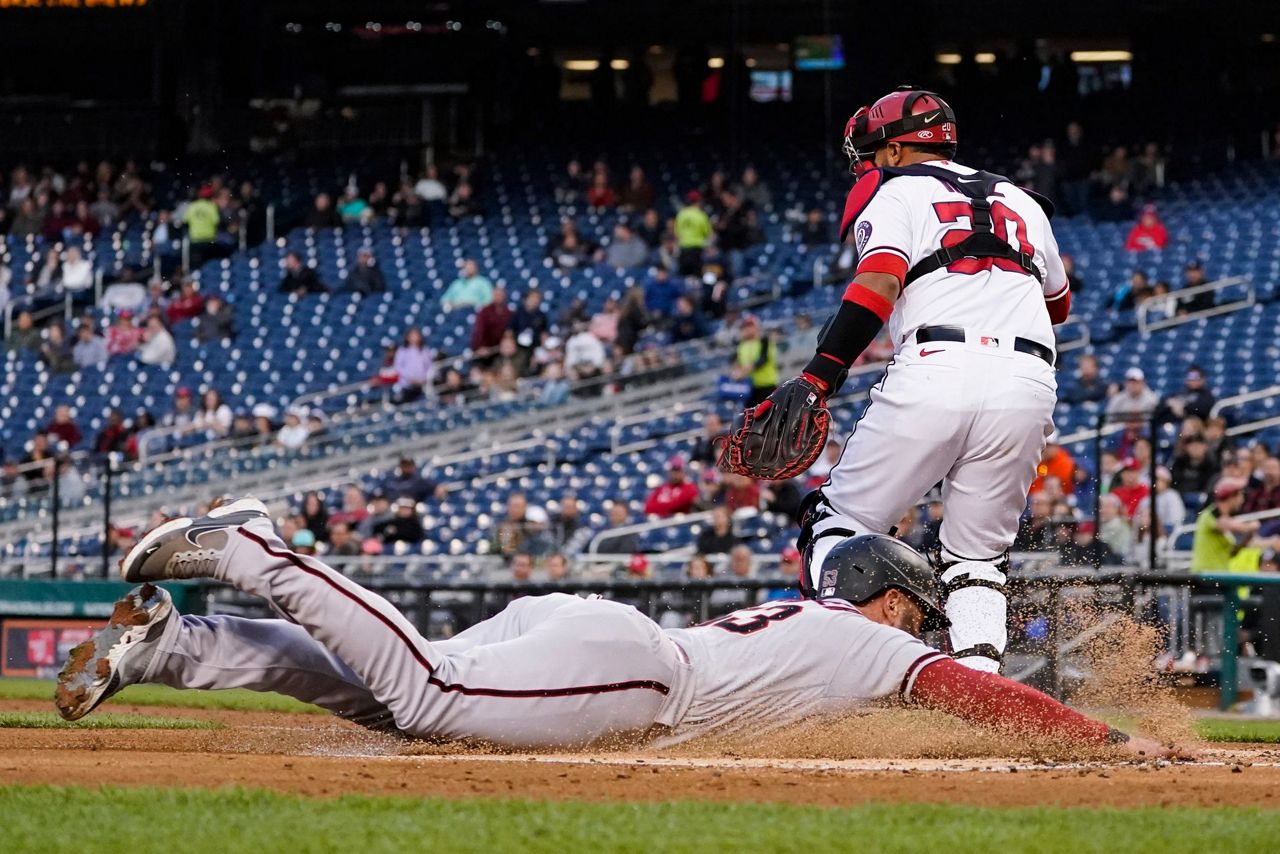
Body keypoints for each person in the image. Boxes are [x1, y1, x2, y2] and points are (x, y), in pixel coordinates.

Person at [58, 516, 1180, 757]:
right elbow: (982, 697)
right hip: (634, 673)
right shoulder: (871, 640)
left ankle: (170, 646)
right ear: (888, 597)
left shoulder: (816, 625)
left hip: (600, 641)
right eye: (918, 604)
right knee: (426, 692)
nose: (924, 624)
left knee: (381, 699)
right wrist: (1103, 737)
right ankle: (257, 549)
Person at [737, 87, 1075, 675]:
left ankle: (832, 674)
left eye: (869, 153)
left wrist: (820, 376)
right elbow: (1059, 303)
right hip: (1027, 378)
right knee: (976, 561)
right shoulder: (1024, 199)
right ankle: (978, 694)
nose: (865, 165)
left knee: (835, 523)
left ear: (894, 150)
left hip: (936, 365)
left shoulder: (898, 192)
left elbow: (878, 285)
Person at [1191, 479, 1264, 572]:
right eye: (1240, 495)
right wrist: (1252, 525)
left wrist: (1247, 539)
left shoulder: (1225, 520)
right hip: (1205, 576)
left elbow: (1231, 554)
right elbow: (1229, 525)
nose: (1242, 499)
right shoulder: (1211, 513)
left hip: (1220, 575)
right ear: (1231, 496)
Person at [734, 316, 778, 408]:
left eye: (750, 326)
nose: (748, 330)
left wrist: (744, 371)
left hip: (767, 385)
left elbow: (763, 360)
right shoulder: (742, 345)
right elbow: (737, 361)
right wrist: (736, 371)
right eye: (746, 327)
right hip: (750, 387)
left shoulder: (764, 341)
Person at [674, 191, 712, 276]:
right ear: (698, 201)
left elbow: (677, 233)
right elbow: (708, 234)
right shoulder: (701, 215)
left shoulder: (681, 214)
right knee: (697, 276)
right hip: (697, 249)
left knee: (684, 276)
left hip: (684, 249)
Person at [392, 327, 434, 403]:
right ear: (408, 338)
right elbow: (398, 367)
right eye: (413, 336)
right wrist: (411, 379)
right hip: (407, 386)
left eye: (417, 335)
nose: (415, 338)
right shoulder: (403, 351)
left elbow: (430, 366)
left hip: (422, 385)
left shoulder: (425, 351)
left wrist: (424, 378)